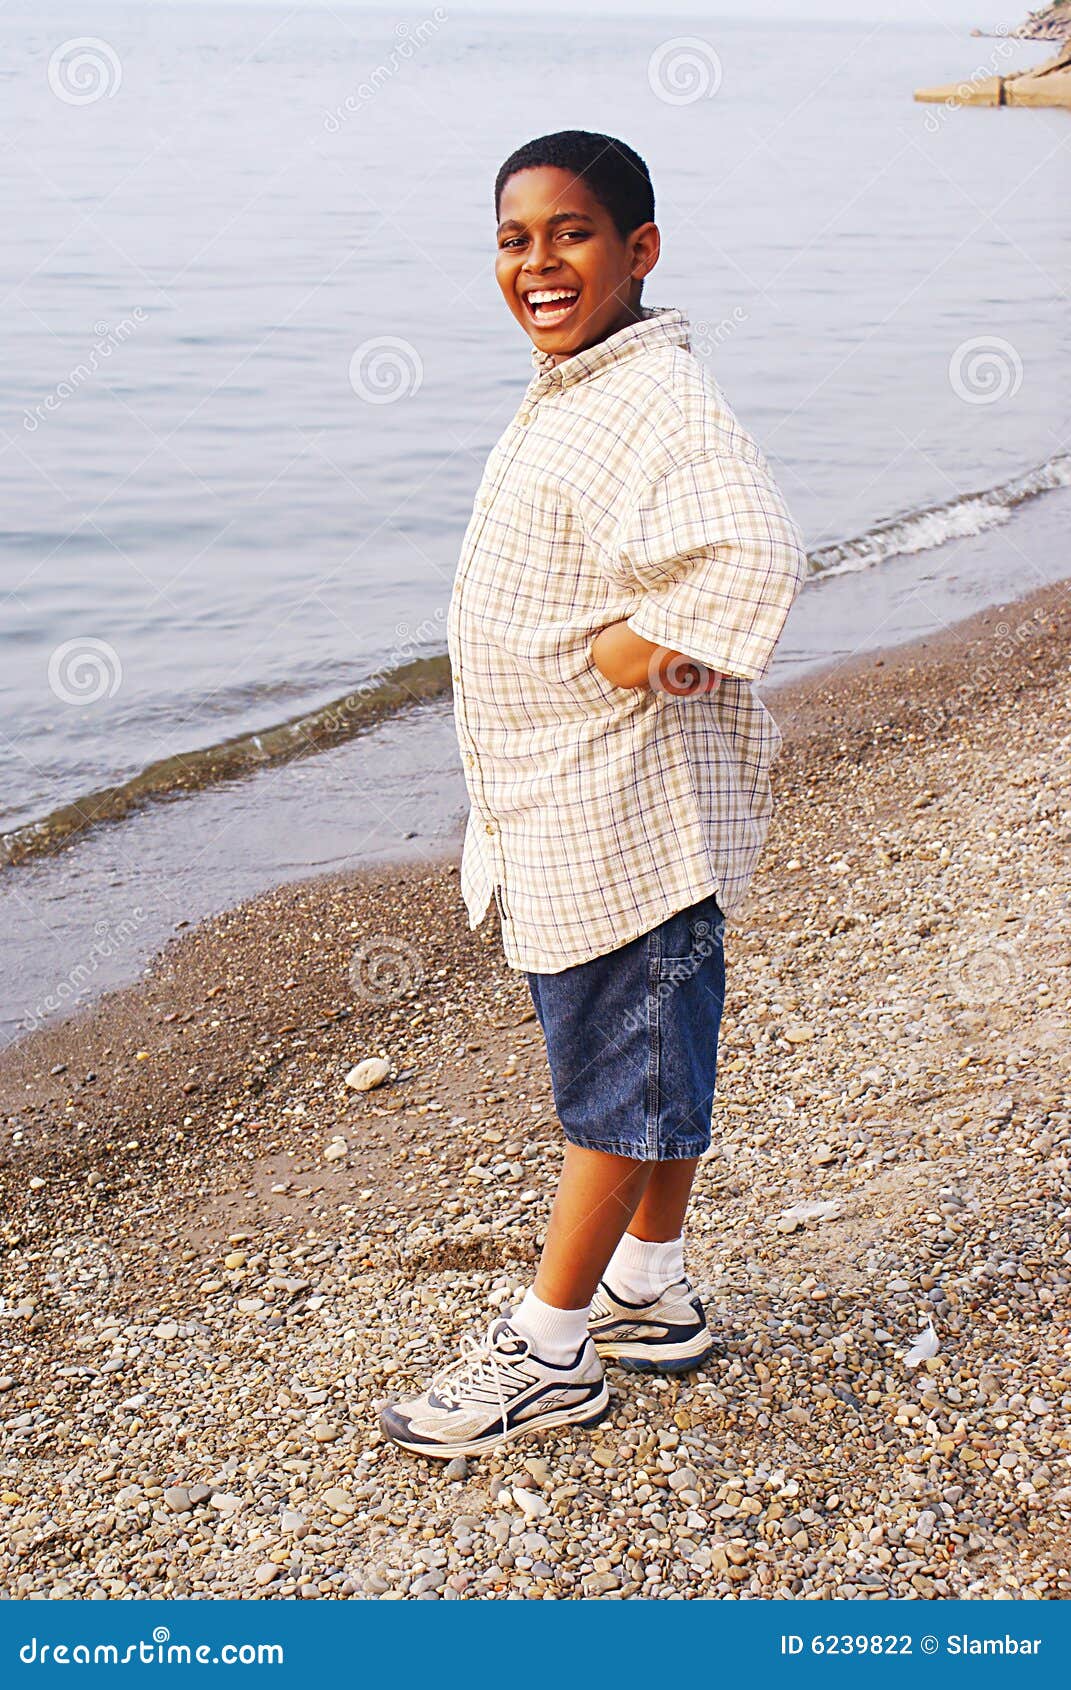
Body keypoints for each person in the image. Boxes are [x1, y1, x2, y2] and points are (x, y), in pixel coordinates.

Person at [380, 130, 808, 1459]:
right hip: (592, 803)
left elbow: (759, 553)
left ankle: (551, 1347)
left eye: (570, 233)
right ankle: (648, 1280)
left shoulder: (659, 401)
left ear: (640, 251)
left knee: (615, 1083)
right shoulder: (586, 381)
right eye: (515, 239)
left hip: (621, 807)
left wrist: (640, 647)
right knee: (658, 1056)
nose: (539, 262)